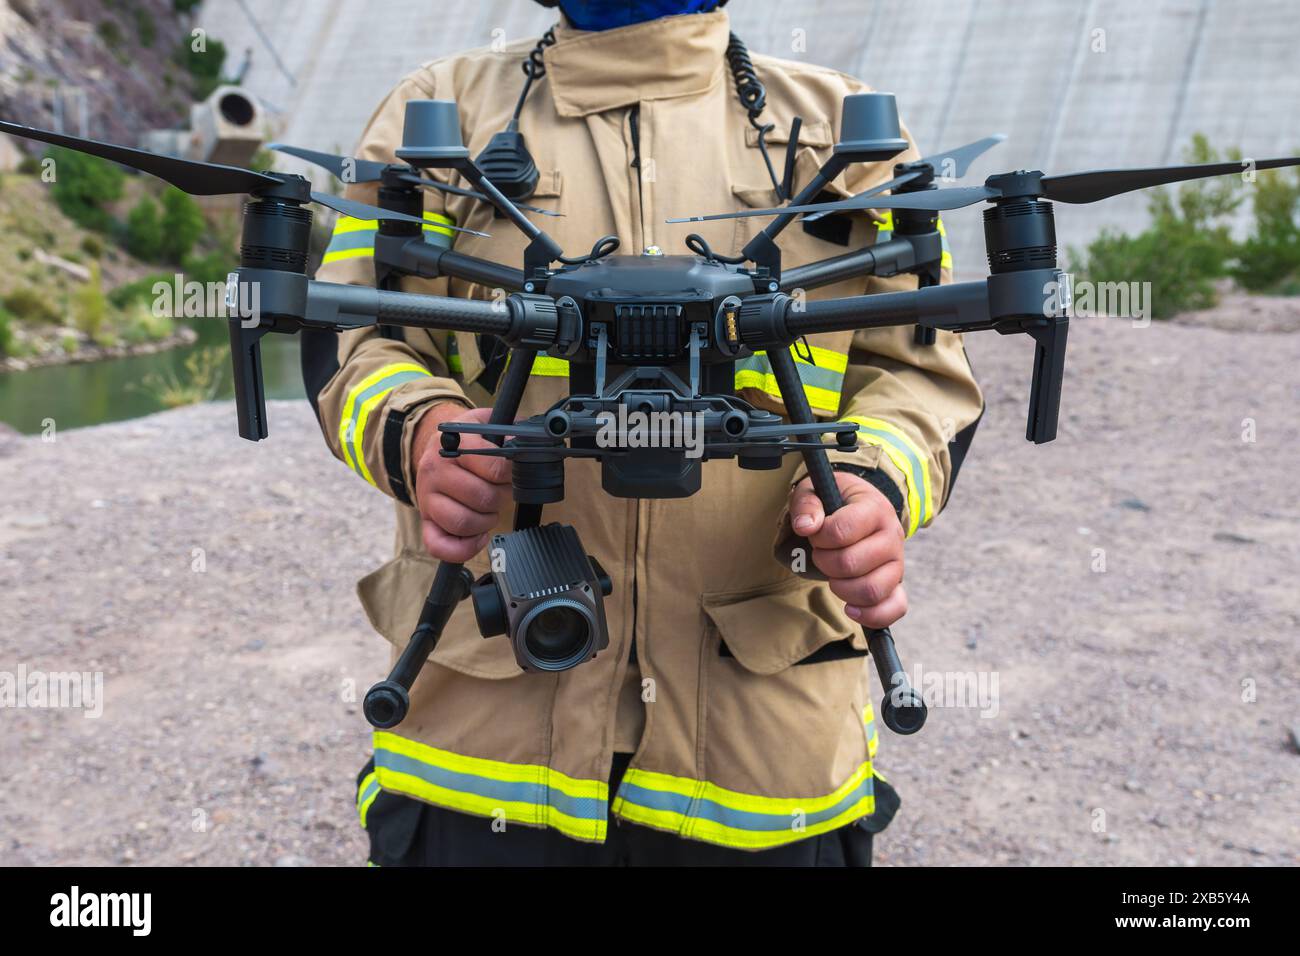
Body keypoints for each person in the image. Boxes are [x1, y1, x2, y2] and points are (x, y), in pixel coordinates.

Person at [306, 0, 983, 866]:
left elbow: (925, 373)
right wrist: (421, 432)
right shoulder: (437, 116)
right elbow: (347, 335)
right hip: (479, 749)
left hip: (762, 755)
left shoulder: (842, 133)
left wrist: (873, 489)